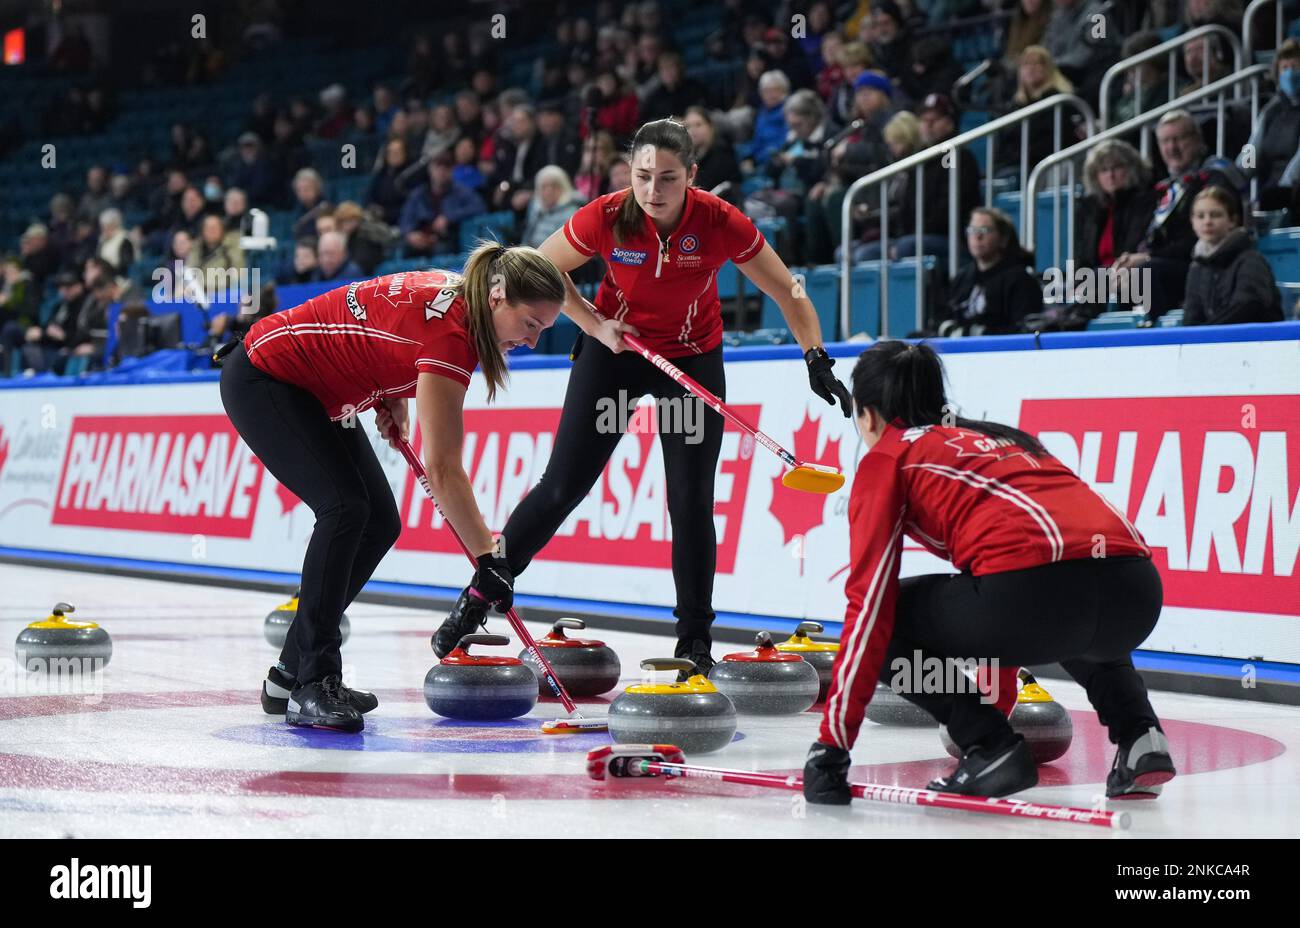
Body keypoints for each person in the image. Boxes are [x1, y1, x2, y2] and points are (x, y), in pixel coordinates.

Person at [431, 118, 851, 670]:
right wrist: (595, 324)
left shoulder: (720, 222)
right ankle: (482, 592)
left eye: (669, 179)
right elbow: (538, 272)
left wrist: (815, 357)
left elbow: (786, 288)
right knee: (561, 487)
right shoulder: (606, 215)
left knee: (691, 501)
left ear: (692, 177)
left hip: (690, 361)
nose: (653, 192)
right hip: (617, 357)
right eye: (643, 176)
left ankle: (694, 644)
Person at [803, 341, 1173, 804]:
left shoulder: (890, 456)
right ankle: (1141, 738)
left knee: (892, 615)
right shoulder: (1003, 437)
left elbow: (870, 604)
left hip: (1036, 596)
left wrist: (831, 749)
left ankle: (989, 745)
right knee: (1069, 591)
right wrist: (995, 717)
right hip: (1135, 594)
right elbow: (1020, 574)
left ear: (868, 415)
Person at [220, 242, 568, 732]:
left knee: (379, 520)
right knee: (344, 509)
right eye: (530, 324)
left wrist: (390, 394)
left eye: (543, 330)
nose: (532, 341)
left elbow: (381, 333)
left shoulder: (458, 294)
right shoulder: (453, 339)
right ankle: (313, 683)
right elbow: (444, 468)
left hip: (319, 388)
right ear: (497, 297)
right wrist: (490, 561)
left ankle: (287, 674)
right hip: (268, 379)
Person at [1113, 109, 1246, 320]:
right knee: (1099, 278)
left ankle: (1155, 339)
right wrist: (1127, 259)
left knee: (1146, 271)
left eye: (1178, 139)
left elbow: (1202, 237)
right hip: (1158, 264)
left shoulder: (1214, 179)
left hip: (1202, 265)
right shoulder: (1161, 189)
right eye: (1165, 141)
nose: (1172, 148)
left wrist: (1147, 258)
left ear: (1196, 139)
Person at [1183, 186, 1283, 326]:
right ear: (1192, 222)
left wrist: (1206, 335)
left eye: (1215, 215)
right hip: (1214, 343)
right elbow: (1191, 317)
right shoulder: (1197, 267)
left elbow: (1247, 307)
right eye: (1200, 216)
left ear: (1232, 220)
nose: (1207, 222)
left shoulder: (1251, 260)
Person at [937, 207, 1043, 336]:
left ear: (1003, 238)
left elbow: (1024, 330)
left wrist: (977, 332)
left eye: (985, 230)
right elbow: (944, 319)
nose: (977, 236)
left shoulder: (1020, 280)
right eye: (972, 230)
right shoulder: (962, 277)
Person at [1237, 39, 1300, 215]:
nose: (1289, 73)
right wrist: (1238, 175)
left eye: (1295, 67)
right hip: (1269, 191)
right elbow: (1252, 147)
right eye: (1284, 68)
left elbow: (1298, 164)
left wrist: (1283, 189)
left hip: (1292, 191)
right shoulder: (1271, 110)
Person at [1075, 140, 1156, 272]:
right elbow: (1084, 258)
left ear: (1131, 169)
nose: (1110, 175)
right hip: (1098, 276)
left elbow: (1132, 251)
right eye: (1104, 170)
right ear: (1095, 176)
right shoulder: (1092, 208)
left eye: (1117, 167)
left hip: (1126, 274)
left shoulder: (1144, 202)